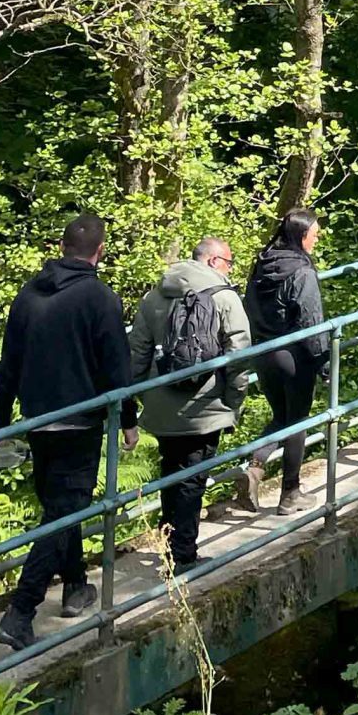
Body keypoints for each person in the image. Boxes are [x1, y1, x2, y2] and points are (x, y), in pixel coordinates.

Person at [0, 212, 136, 653]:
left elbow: (8, 364)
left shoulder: (28, 296)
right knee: (64, 513)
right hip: (78, 422)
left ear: (60, 246)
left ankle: (75, 586)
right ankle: (21, 611)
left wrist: (1, 423)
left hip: (38, 421)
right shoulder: (99, 298)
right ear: (100, 251)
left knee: (59, 506)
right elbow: (117, 367)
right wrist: (127, 419)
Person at [126, 237, 253, 572]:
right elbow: (239, 357)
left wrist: (142, 395)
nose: (230, 269)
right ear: (212, 261)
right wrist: (233, 402)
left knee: (171, 473)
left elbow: (137, 351)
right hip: (206, 407)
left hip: (162, 405)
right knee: (193, 479)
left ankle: (171, 548)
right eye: (228, 261)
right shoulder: (225, 297)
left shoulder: (154, 297)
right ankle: (183, 557)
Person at [244, 210, 328, 513]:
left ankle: (254, 467)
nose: (316, 240)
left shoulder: (262, 265)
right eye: (314, 234)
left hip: (264, 353)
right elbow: (311, 321)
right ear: (300, 236)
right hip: (294, 356)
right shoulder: (302, 272)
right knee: (297, 423)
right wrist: (323, 361)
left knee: (281, 417)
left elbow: (248, 306)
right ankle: (290, 492)